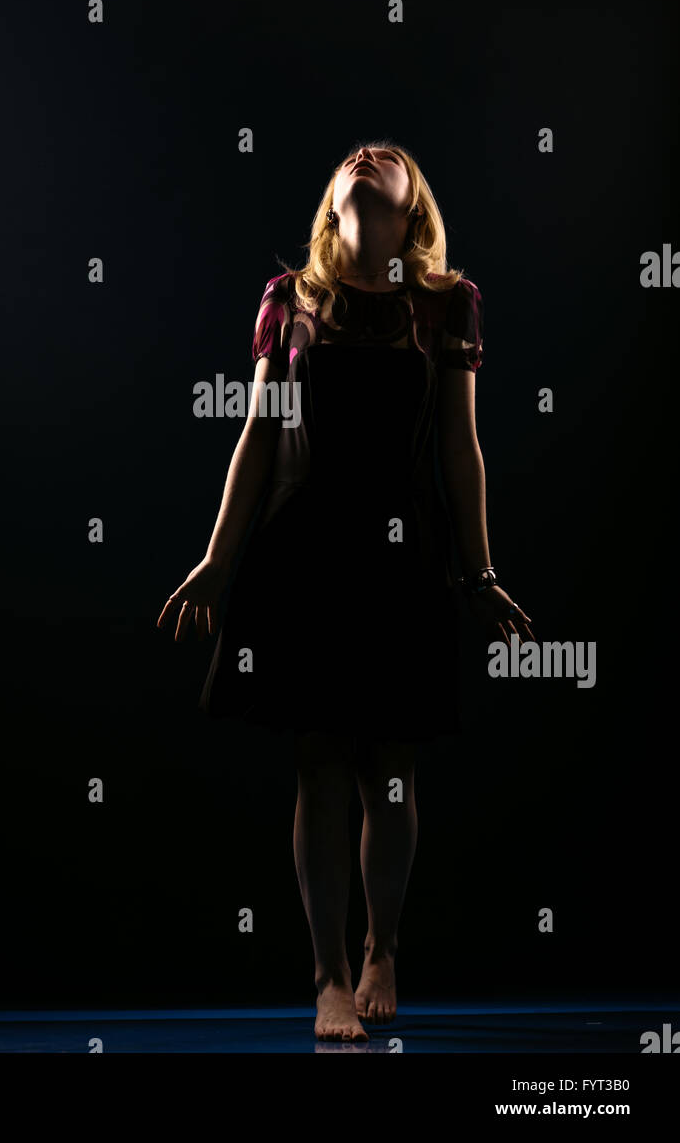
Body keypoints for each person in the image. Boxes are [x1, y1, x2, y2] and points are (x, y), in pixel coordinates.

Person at [157, 139, 534, 1043]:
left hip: (403, 555)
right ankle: (326, 975)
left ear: (414, 209)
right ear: (334, 203)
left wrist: (477, 571)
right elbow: (257, 435)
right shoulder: (293, 301)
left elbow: (459, 450)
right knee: (321, 764)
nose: (370, 155)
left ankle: (383, 948)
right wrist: (217, 557)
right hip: (306, 550)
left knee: (391, 769)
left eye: (390, 156)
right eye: (356, 158)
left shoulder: (446, 306)